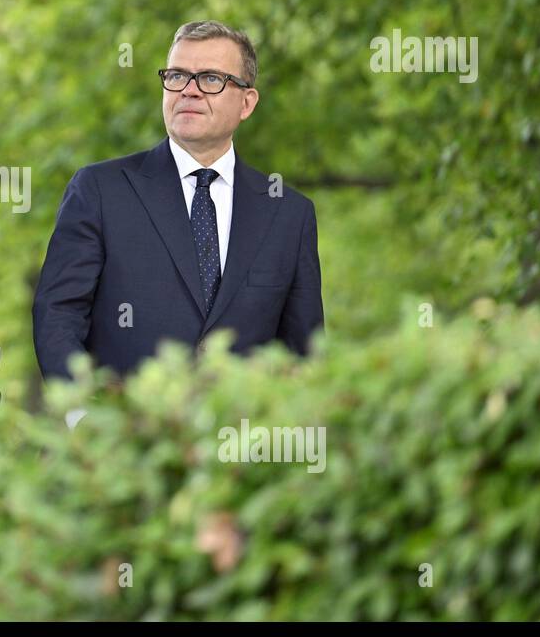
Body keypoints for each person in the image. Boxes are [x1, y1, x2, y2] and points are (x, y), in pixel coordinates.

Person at [33, 20, 323, 384]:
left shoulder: (289, 214)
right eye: (177, 76)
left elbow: (304, 353)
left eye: (211, 79)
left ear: (247, 102)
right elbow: (58, 315)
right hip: (125, 431)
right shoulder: (100, 190)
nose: (190, 91)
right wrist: (83, 415)